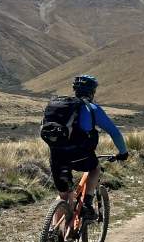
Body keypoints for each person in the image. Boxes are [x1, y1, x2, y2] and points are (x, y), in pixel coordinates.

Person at [50, 74, 128, 227]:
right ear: (93, 91)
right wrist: (123, 152)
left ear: (75, 90)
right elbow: (114, 132)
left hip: (57, 155)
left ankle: (53, 233)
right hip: (80, 155)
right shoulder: (92, 108)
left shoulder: (61, 107)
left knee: (63, 195)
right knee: (95, 168)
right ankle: (87, 204)